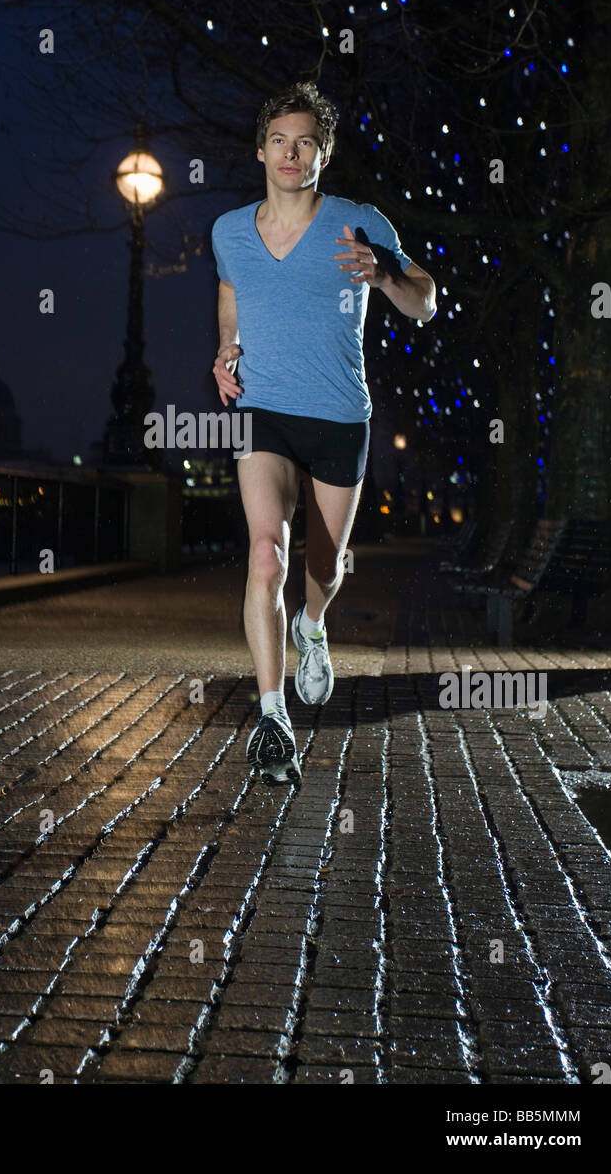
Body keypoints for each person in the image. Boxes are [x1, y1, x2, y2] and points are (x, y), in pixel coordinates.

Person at [210, 81, 436, 786]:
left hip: (339, 414)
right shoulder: (228, 232)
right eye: (279, 139)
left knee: (327, 569)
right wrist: (226, 349)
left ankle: (314, 627)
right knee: (264, 556)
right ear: (260, 150)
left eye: (305, 141)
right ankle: (273, 715)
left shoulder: (358, 222)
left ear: (323, 154)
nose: (290, 151)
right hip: (264, 411)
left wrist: (387, 275)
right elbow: (230, 292)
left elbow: (425, 301)